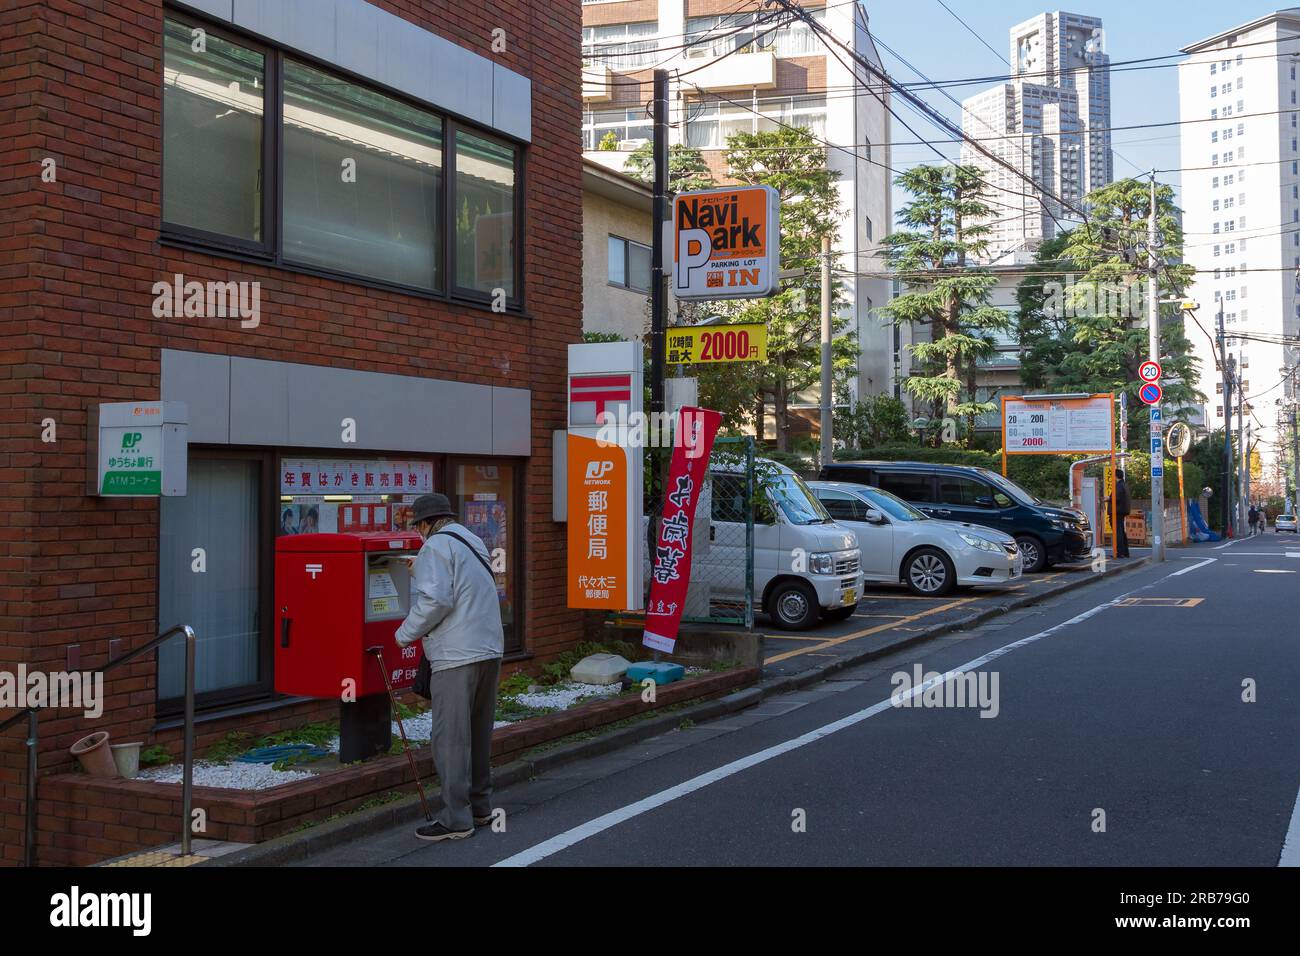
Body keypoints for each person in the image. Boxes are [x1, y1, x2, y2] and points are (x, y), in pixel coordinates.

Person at [394, 493, 504, 843]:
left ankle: (457, 819)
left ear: (425, 524)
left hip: (458, 655)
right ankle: (480, 806)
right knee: (477, 732)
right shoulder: (469, 539)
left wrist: (403, 634)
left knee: (450, 740)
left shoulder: (435, 547)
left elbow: (437, 600)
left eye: (419, 527)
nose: (420, 535)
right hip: (490, 649)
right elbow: (460, 585)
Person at [1110, 470, 1131, 558]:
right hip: (1122, 511)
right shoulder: (1124, 484)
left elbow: (1116, 498)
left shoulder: (1118, 486)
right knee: (1121, 531)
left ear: (1116, 476)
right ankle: (1125, 552)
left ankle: (1120, 552)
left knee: (1118, 531)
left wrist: (1108, 498)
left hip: (1117, 511)